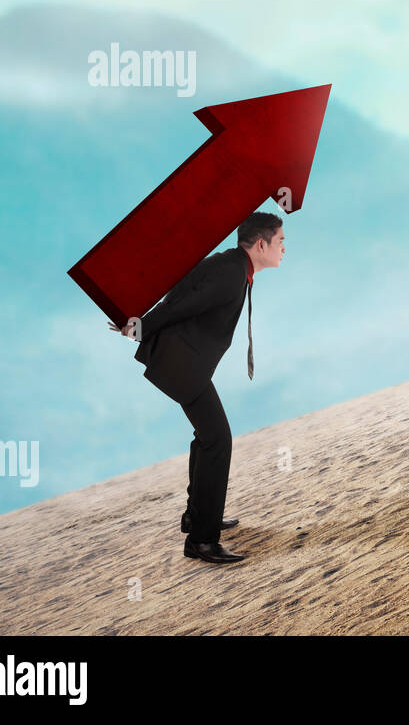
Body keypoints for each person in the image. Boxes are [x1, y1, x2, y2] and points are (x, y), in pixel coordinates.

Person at [108, 212, 286, 564]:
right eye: (281, 242)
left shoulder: (232, 266)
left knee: (208, 435)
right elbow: (185, 303)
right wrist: (141, 326)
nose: (284, 249)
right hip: (181, 363)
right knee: (217, 438)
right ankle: (202, 540)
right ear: (262, 244)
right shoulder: (231, 272)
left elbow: (184, 289)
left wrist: (141, 323)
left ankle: (198, 516)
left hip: (185, 362)